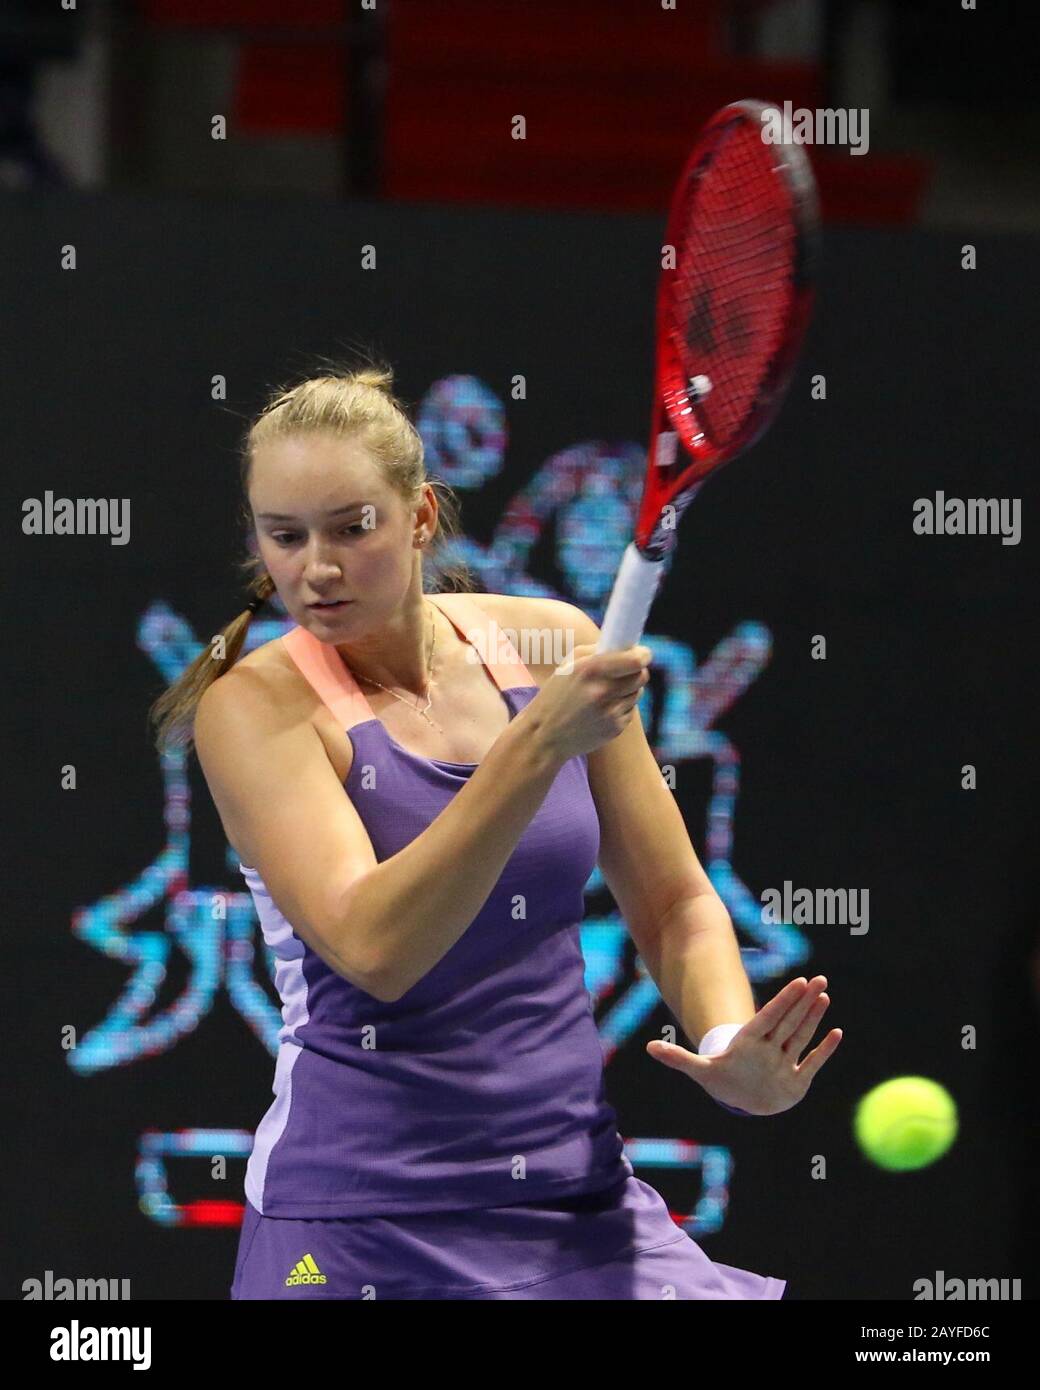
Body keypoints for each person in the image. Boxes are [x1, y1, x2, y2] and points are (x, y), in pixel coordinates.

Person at [150, 364, 841, 1299]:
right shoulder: (254, 711)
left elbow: (675, 900)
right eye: (286, 536)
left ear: (423, 516)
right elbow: (375, 945)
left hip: (574, 1202)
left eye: (353, 527)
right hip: (359, 1228)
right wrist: (537, 746)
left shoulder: (552, 643)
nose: (317, 567)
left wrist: (725, 1044)